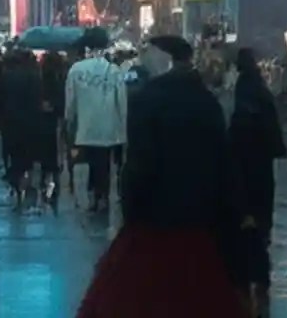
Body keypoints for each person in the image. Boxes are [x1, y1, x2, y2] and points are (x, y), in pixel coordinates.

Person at [78, 35, 245, 318]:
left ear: (165, 58)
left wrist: (130, 206)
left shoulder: (148, 100)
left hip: (154, 222)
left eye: (148, 52)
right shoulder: (207, 102)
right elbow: (223, 162)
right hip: (198, 222)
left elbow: (140, 163)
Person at [224, 47, 286, 314]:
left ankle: (246, 277)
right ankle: (259, 278)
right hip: (262, 168)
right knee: (259, 224)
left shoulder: (243, 93)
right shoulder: (261, 90)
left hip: (244, 168)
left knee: (245, 223)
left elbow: (239, 130)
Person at [65, 35, 127, 213]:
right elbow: (121, 101)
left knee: (90, 160)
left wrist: (69, 120)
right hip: (108, 126)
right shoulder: (114, 70)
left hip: (86, 125)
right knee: (105, 163)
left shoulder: (75, 70)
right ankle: (104, 195)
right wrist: (123, 126)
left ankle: (94, 195)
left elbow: (71, 101)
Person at [1, 48, 44, 210]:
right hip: (30, 122)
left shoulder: (7, 77)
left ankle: (17, 186)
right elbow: (37, 100)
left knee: (14, 154)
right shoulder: (34, 77)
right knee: (28, 155)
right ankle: (27, 183)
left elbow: (1, 100)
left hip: (11, 122)